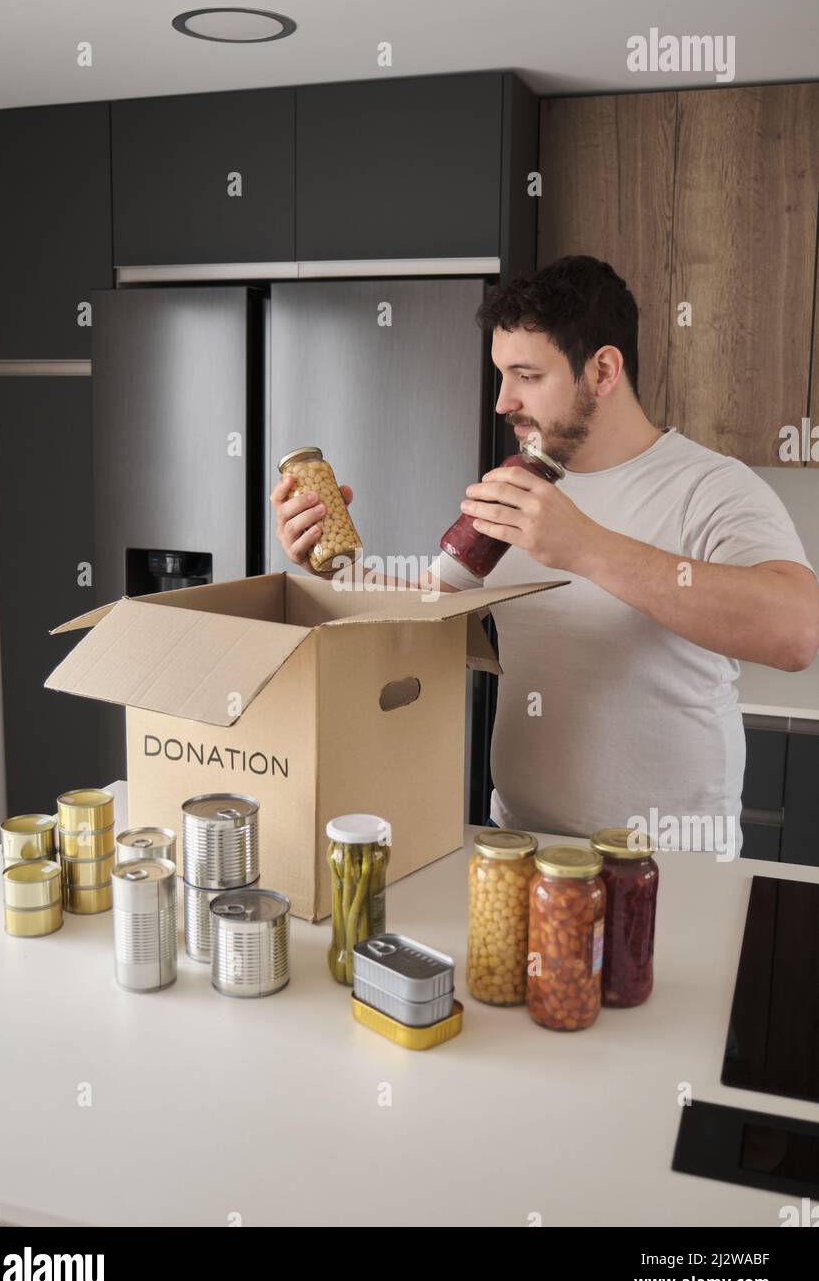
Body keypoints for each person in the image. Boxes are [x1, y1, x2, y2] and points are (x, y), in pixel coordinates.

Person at [270, 256, 819, 855]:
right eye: (501, 375)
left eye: (527, 376)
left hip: (667, 860)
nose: (503, 401)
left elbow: (796, 634)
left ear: (603, 369)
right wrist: (336, 569)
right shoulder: (512, 487)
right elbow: (424, 617)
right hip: (517, 846)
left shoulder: (710, 487)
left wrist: (585, 547)